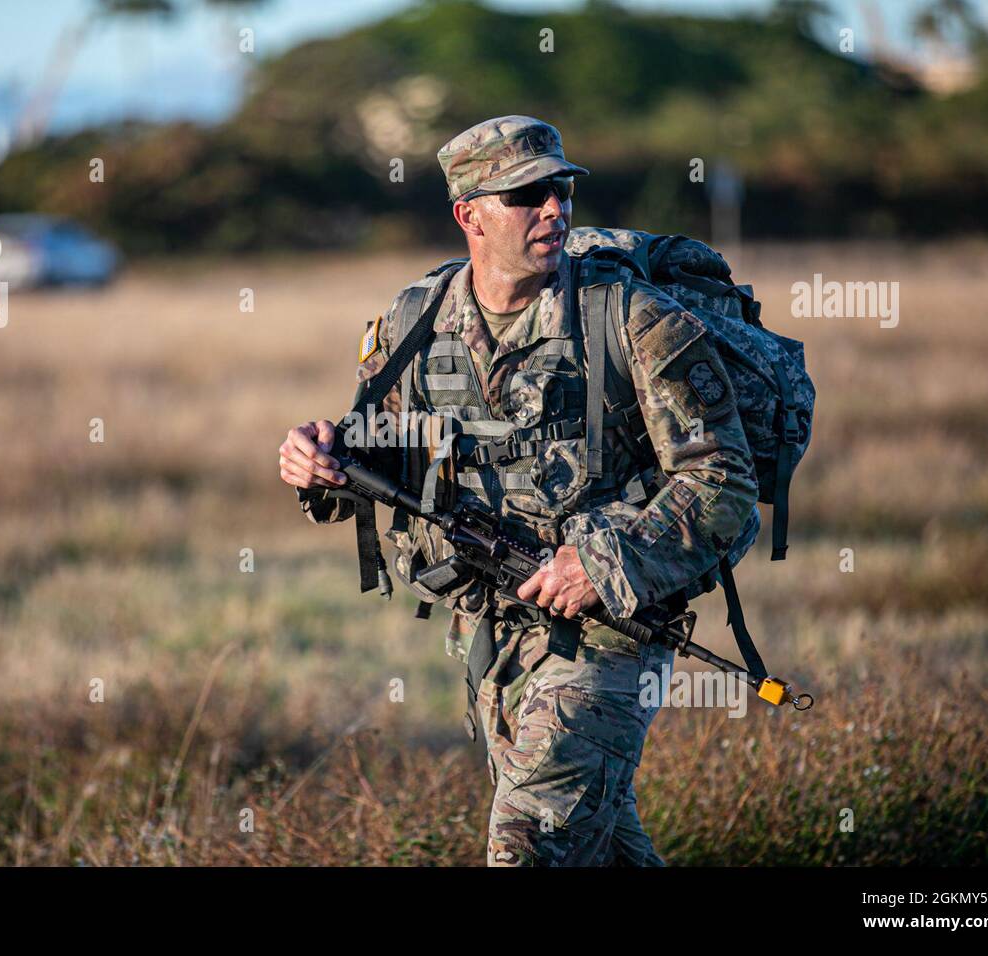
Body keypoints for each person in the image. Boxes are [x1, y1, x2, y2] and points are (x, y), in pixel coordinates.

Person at [278, 115, 759, 866]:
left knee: (528, 841)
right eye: (526, 194)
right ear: (468, 214)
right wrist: (318, 462)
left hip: (609, 634)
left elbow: (723, 481)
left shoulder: (631, 321)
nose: (554, 209)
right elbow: (378, 457)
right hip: (490, 635)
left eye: (561, 189)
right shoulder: (416, 319)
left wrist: (597, 564)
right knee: (605, 851)